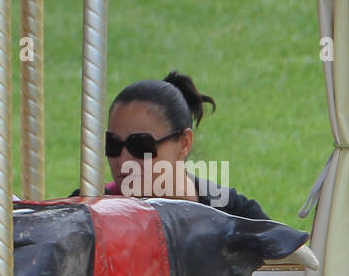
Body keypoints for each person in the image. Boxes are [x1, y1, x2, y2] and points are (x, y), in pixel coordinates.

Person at [95, 71, 268, 218]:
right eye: (113, 144)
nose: (123, 161)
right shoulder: (90, 214)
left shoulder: (233, 215)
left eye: (140, 145)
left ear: (184, 143)